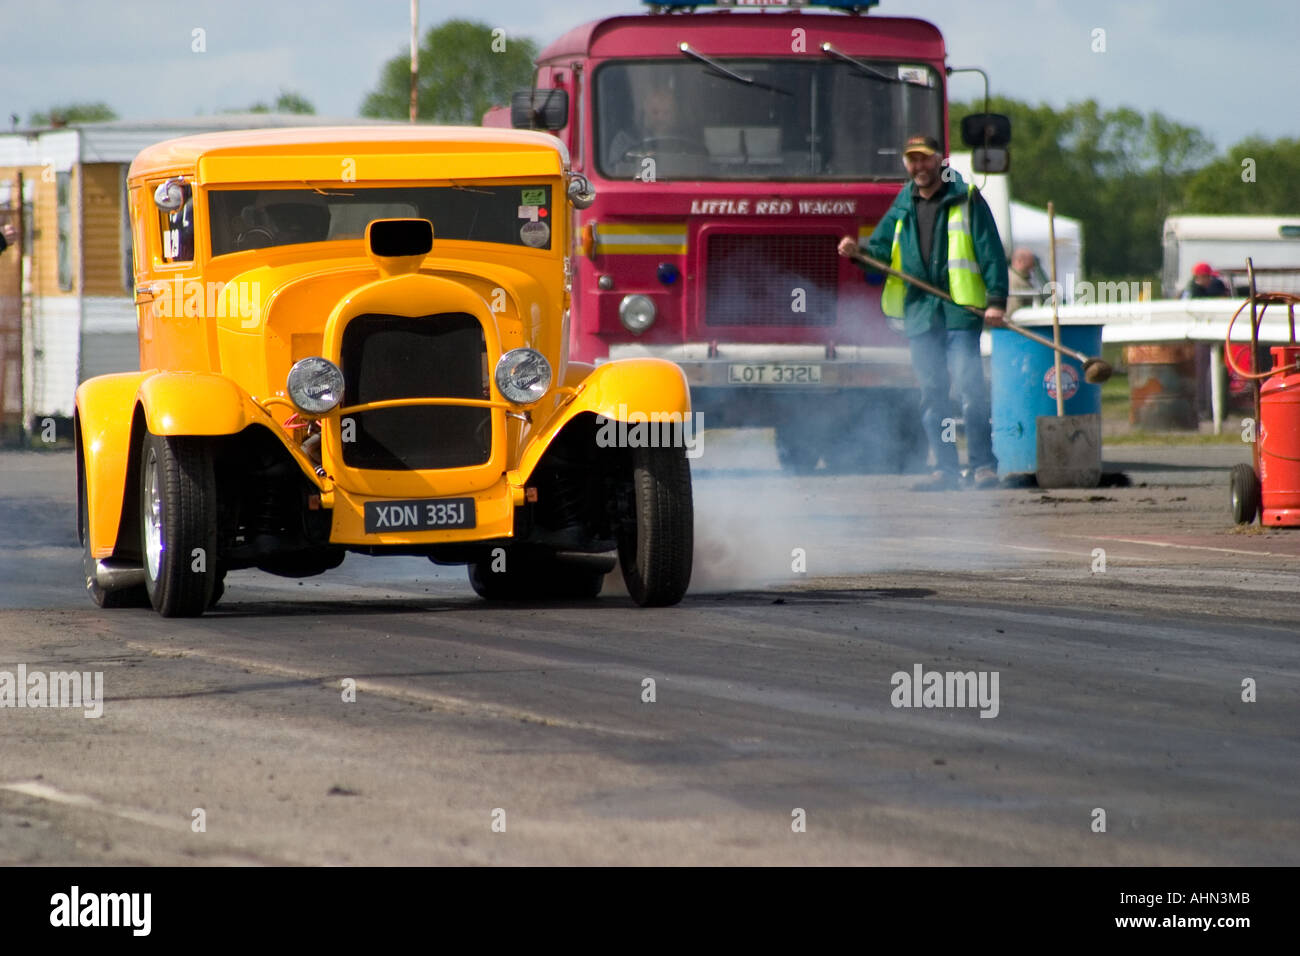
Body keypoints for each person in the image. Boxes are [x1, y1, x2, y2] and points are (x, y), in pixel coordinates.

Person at [838, 134, 1008, 491]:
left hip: (960, 312)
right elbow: (881, 249)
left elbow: (990, 252)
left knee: (969, 391)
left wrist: (995, 302)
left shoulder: (967, 198)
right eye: (912, 160)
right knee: (933, 394)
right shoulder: (904, 202)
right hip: (920, 314)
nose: (918, 166)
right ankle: (945, 470)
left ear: (940, 161)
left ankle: (982, 467)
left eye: (925, 159)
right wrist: (858, 250)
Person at [1006, 246, 1048, 316]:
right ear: (1019, 261)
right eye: (1030, 261)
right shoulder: (1012, 280)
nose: (1033, 265)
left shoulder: (1022, 279)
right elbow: (1013, 310)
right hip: (1016, 323)